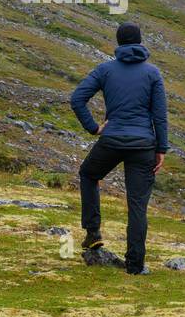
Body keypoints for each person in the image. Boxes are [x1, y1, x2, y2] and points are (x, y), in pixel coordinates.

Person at [70, 22, 169, 275]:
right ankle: (135, 266)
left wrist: (93, 128)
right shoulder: (152, 73)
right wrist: (161, 149)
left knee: (89, 174)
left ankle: (93, 233)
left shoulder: (105, 70)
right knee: (137, 205)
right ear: (140, 41)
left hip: (112, 140)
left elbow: (77, 98)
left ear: (118, 42)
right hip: (144, 145)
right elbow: (160, 116)